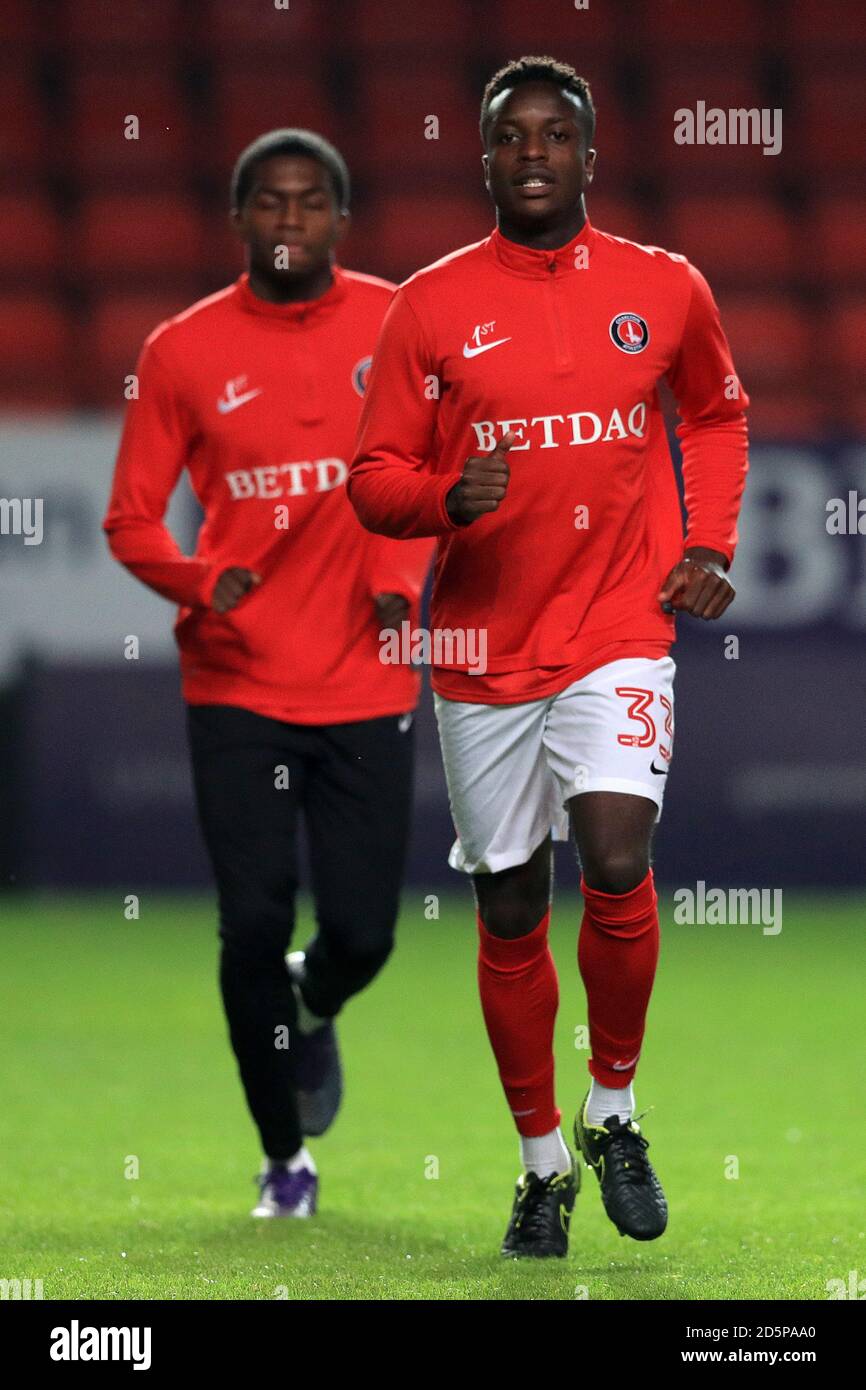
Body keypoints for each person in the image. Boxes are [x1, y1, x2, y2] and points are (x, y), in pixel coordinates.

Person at [349, 57, 748, 1257]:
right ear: (481, 159)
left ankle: (612, 1110)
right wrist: (440, 498)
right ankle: (538, 1167)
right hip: (480, 652)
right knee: (510, 903)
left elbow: (716, 411)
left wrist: (705, 540)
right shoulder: (425, 303)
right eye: (508, 136)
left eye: (552, 134)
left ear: (586, 155)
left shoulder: (662, 287)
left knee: (617, 859)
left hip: (618, 626)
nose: (531, 152)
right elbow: (371, 482)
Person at [104, 128, 432, 1219]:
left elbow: (432, 468)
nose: (289, 221)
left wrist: (396, 567)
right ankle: (285, 1156)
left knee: (366, 933)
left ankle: (316, 993)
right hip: (236, 682)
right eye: (268, 203)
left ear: (341, 221)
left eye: (309, 204)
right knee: (247, 924)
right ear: (237, 218)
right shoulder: (180, 350)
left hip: (368, 678)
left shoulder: (397, 320)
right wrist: (201, 583)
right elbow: (129, 517)